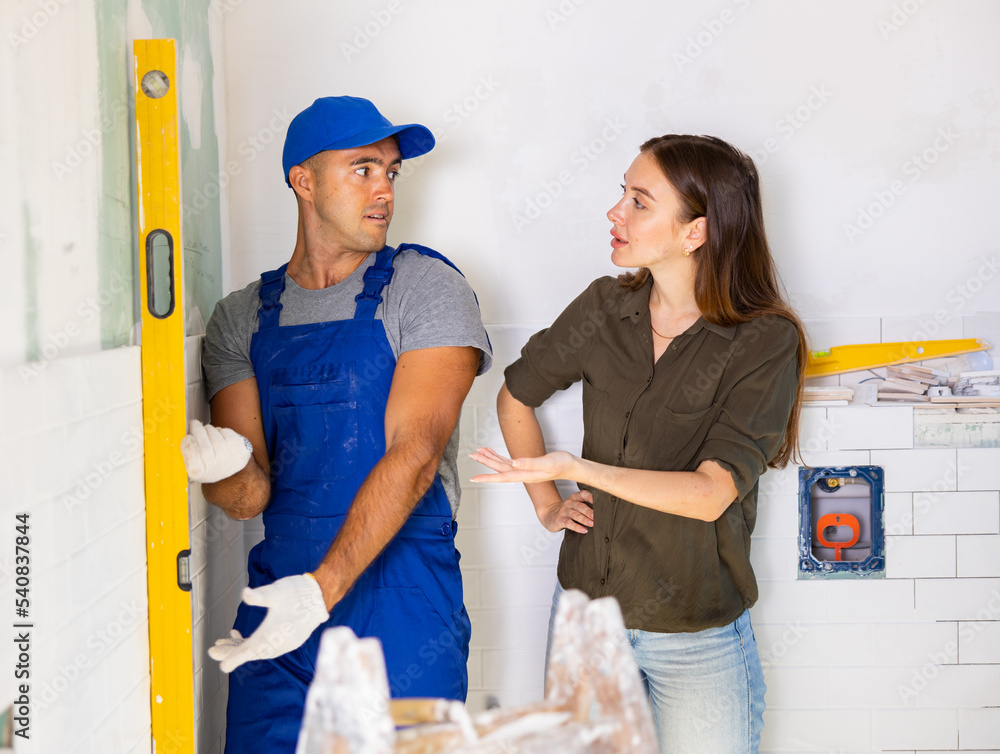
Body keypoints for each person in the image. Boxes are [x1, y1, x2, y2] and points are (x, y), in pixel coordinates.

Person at [471, 134, 806, 753]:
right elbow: (515, 395)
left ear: (694, 232)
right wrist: (548, 502)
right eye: (621, 195)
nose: (614, 213)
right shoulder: (604, 308)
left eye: (639, 201)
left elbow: (710, 495)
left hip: (697, 635)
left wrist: (578, 467)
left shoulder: (764, 342)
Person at [180, 96, 491, 753]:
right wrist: (224, 469)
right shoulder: (243, 318)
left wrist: (320, 595)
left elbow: (416, 456)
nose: (384, 190)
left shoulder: (425, 289)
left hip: (406, 609)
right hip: (282, 614)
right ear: (304, 180)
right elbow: (248, 501)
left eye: (391, 173)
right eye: (363, 169)